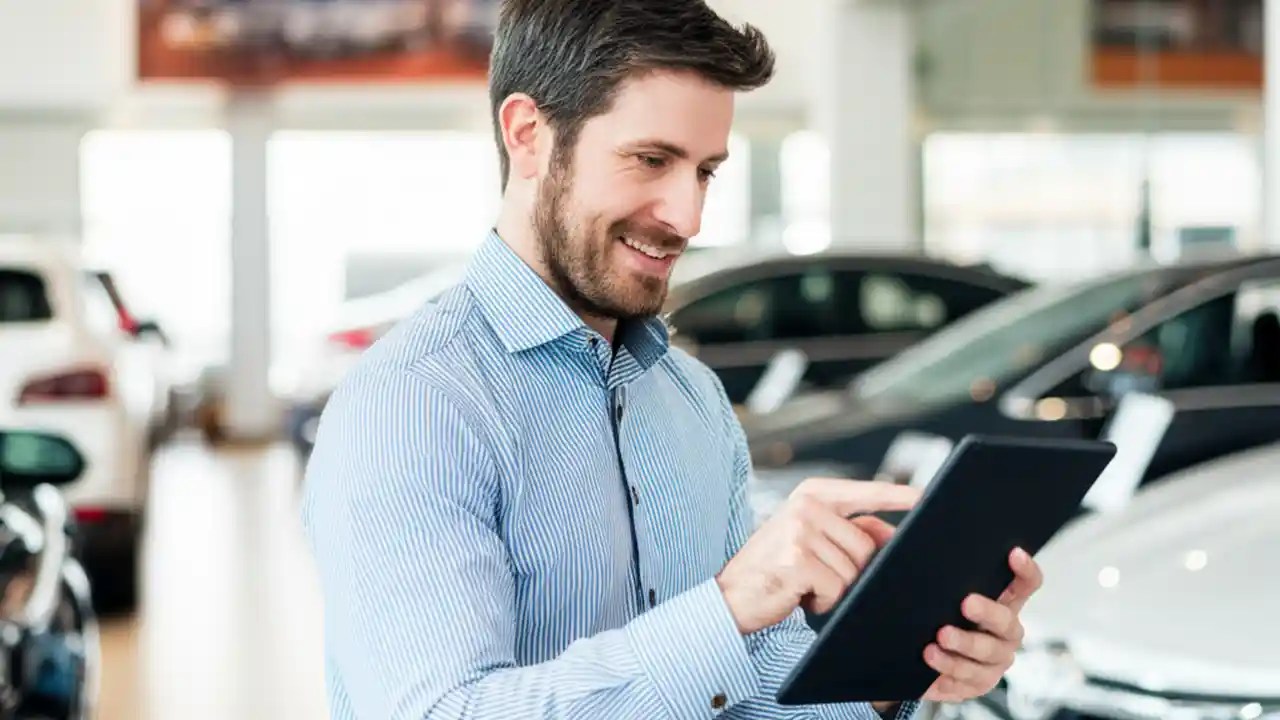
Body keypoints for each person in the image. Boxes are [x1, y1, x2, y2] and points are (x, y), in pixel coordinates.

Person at [301, 1, 1044, 718]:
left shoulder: (690, 398)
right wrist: (727, 609)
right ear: (528, 136)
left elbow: (736, 692)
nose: (687, 217)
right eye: (651, 160)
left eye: (705, 171)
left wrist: (894, 667)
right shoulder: (414, 405)